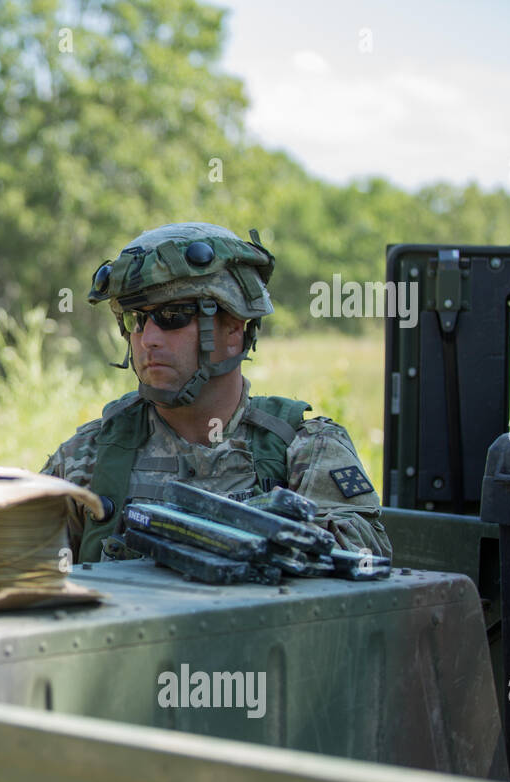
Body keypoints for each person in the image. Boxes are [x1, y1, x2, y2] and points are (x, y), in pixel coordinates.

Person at [42, 222, 392, 563]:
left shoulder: (303, 450)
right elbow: (12, 564)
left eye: (173, 315)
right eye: (137, 320)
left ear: (234, 329)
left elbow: (360, 560)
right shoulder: (87, 459)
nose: (148, 339)